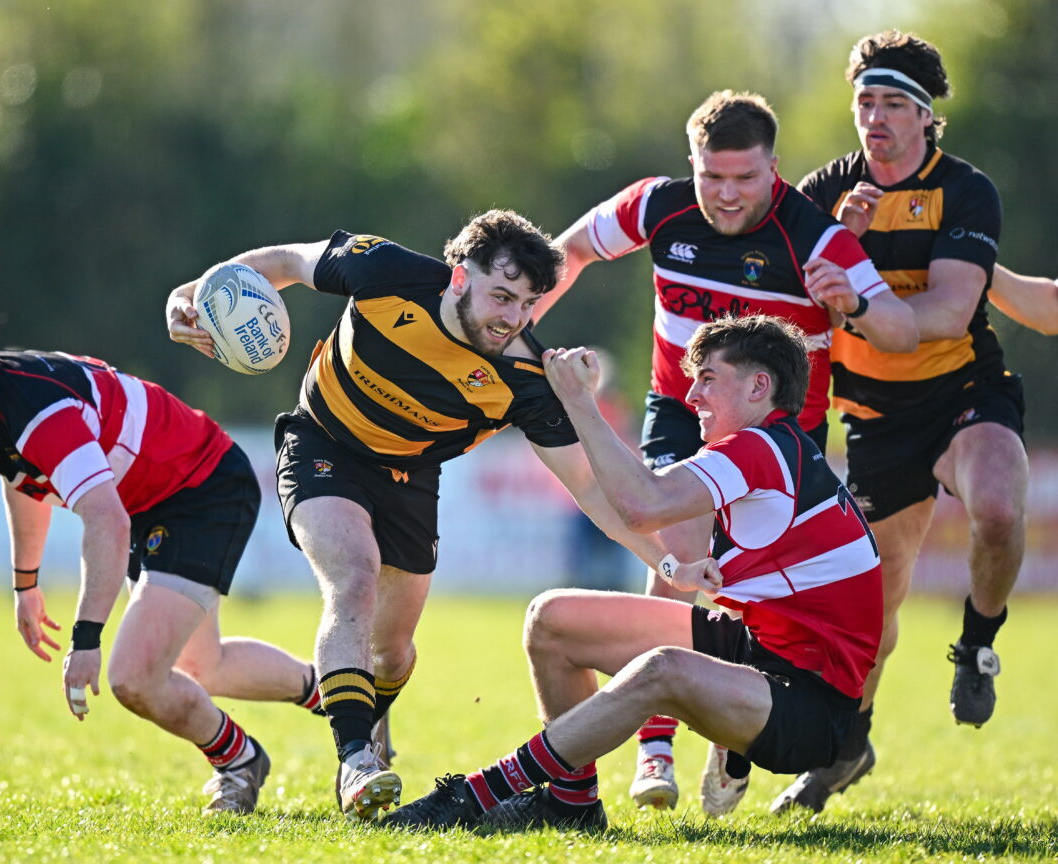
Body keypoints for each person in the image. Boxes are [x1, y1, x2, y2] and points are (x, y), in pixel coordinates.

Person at [165, 210, 672, 821]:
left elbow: (590, 489)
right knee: (351, 580)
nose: (512, 317)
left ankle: (369, 717)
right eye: (501, 295)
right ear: (460, 276)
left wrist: (671, 561)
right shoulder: (385, 270)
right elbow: (283, 265)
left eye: (527, 304)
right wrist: (190, 294)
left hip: (409, 480)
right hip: (323, 442)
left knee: (394, 654)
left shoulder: (527, 379)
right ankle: (355, 758)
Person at [530, 89, 916, 813]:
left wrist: (858, 302)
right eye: (713, 177)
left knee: (752, 595)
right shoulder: (656, 206)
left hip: (781, 442)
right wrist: (518, 323)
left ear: (775, 168)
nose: (728, 194)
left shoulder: (817, 239)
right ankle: (656, 752)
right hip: (683, 409)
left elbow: (900, 328)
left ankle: (732, 729)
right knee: (675, 549)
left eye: (746, 178)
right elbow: (572, 251)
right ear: (691, 165)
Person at [382, 314, 883, 832]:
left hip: (808, 707)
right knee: (551, 620)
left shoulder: (761, 448)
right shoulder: (771, 448)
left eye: (708, 378)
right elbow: (627, 500)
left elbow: (641, 504)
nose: (691, 396)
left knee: (663, 667)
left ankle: (472, 798)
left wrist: (580, 402)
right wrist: (674, 564)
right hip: (762, 652)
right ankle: (570, 807)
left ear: (760, 386)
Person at [0, 296, 326, 816]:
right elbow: (21, 481)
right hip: (157, 499)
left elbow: (105, 520)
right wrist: (25, 584)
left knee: (133, 677)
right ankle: (348, 700)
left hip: (199, 487)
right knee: (204, 663)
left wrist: (86, 638)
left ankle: (240, 762)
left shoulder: (32, 407)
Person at [771, 29, 1029, 814]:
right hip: (875, 417)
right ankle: (849, 744)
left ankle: (977, 647)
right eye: (864, 102)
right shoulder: (824, 191)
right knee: (870, 612)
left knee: (995, 505)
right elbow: (782, 300)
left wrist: (855, 290)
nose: (874, 118)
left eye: (891, 104)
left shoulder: (964, 190)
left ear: (925, 117)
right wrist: (827, 240)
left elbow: (951, 313)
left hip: (962, 390)